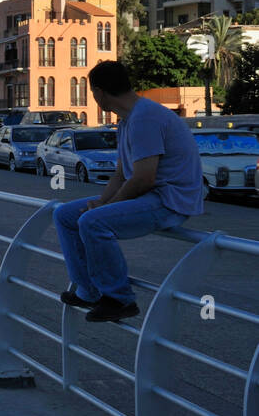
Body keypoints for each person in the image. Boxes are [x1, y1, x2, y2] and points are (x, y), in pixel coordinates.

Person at [53, 60, 204, 323]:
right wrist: (101, 201)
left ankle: (119, 299)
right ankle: (88, 291)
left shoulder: (145, 117)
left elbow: (144, 178)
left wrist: (103, 209)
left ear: (99, 92)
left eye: (92, 93)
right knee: (65, 215)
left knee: (92, 221)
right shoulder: (128, 121)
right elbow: (122, 174)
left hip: (170, 199)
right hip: (151, 195)